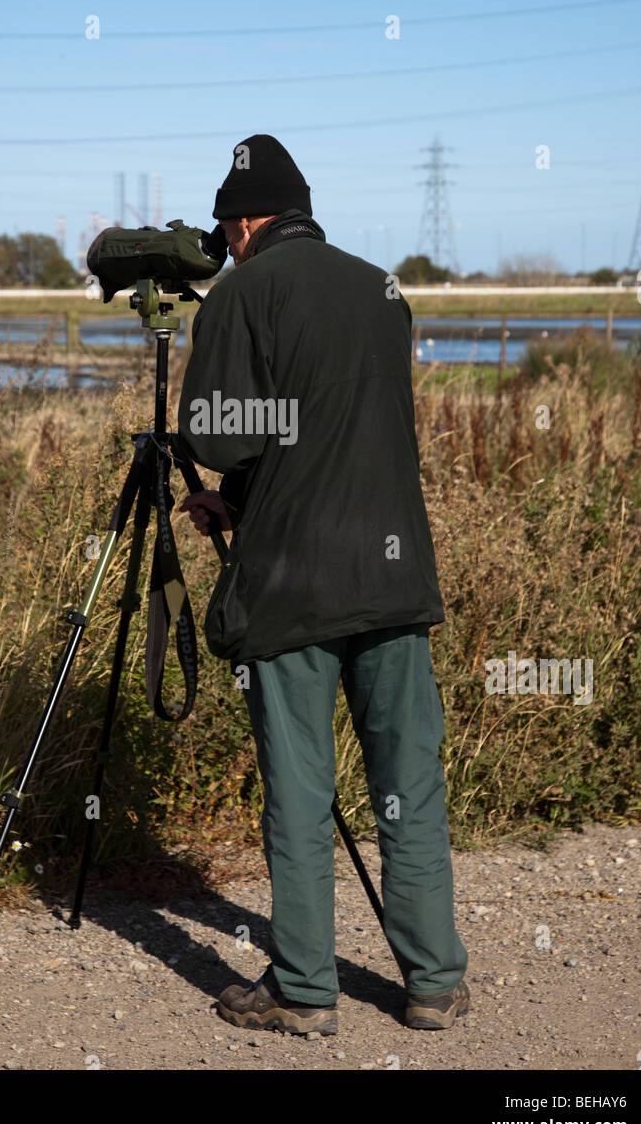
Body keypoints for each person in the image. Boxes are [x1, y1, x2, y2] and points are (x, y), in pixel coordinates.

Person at [175, 134, 469, 1035]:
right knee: (408, 782)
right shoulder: (384, 289)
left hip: (295, 579)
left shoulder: (240, 295)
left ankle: (304, 990)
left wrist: (231, 494)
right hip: (391, 575)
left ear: (247, 221)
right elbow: (349, 427)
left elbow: (224, 441)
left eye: (227, 231)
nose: (225, 245)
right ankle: (432, 982)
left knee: (301, 789)